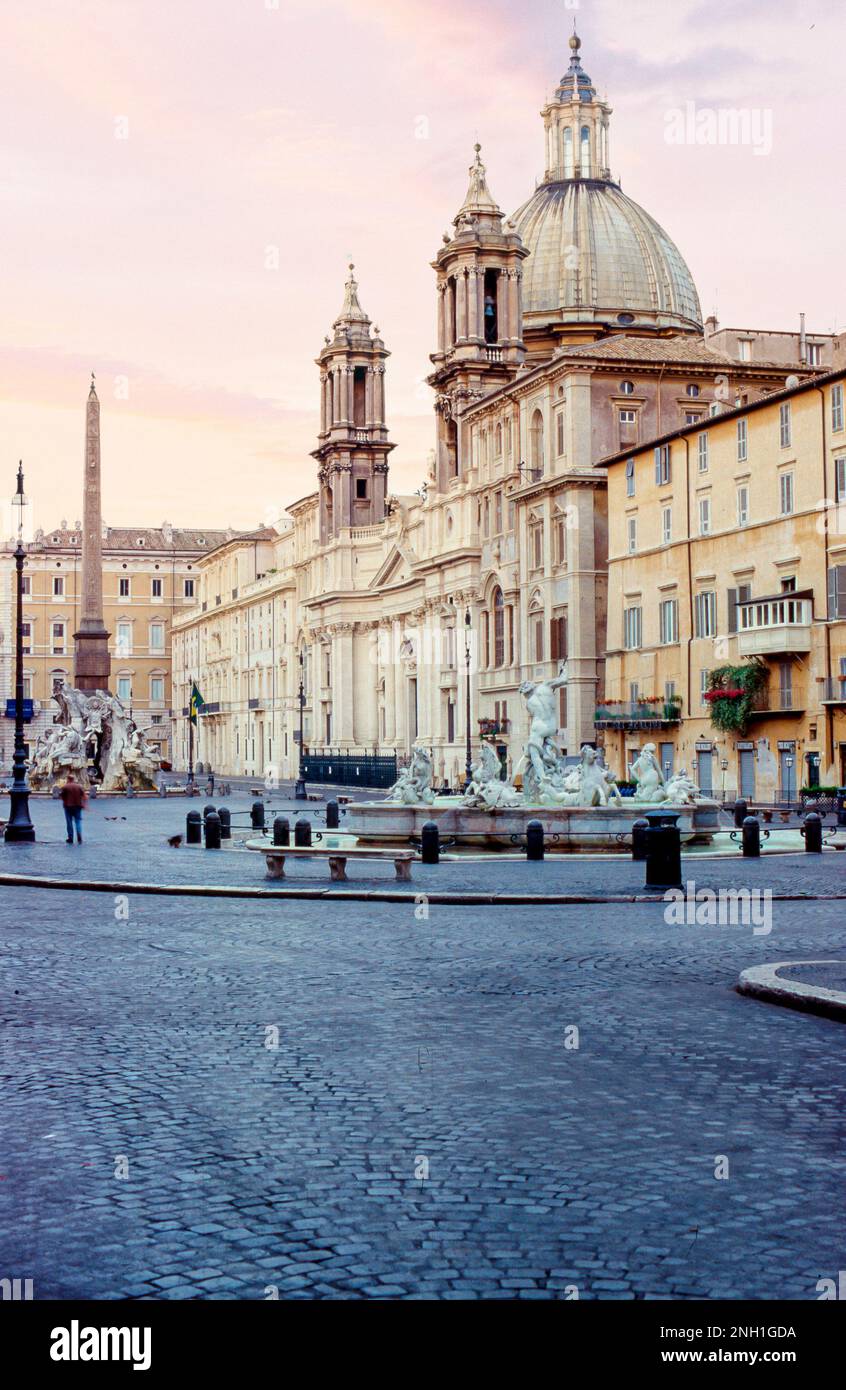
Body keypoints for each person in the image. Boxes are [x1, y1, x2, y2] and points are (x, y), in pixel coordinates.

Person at [60, 772, 88, 844]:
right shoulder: (79, 786)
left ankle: (70, 838)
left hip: (68, 807)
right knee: (78, 822)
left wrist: (64, 801)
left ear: (68, 779)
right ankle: (79, 837)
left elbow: (62, 797)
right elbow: (85, 796)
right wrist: (84, 805)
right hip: (78, 806)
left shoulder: (65, 787)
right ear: (73, 779)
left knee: (69, 823)